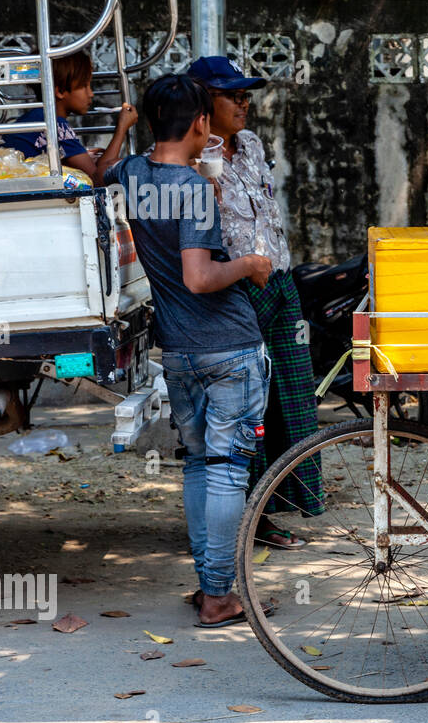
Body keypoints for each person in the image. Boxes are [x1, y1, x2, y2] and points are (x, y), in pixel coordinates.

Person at [104, 74, 273, 628]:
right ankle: (221, 596)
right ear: (202, 123)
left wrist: (121, 130)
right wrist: (249, 265)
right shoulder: (195, 188)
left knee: (201, 464)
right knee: (227, 470)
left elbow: (103, 172)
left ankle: (210, 585)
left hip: (177, 351)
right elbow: (200, 278)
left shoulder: (129, 174)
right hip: (227, 345)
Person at [185, 55, 323, 547]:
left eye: (246, 96)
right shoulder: (194, 155)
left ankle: (279, 505)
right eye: (233, 96)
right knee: (250, 408)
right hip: (237, 291)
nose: (244, 105)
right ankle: (246, 521)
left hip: (278, 279)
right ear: (204, 102)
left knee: (293, 398)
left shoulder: (251, 145)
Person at [1, 51, 137, 186]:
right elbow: (98, 178)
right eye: (84, 86)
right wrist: (122, 128)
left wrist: (83, 154)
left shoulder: (41, 117)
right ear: (60, 91)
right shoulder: (54, 124)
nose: (91, 93)